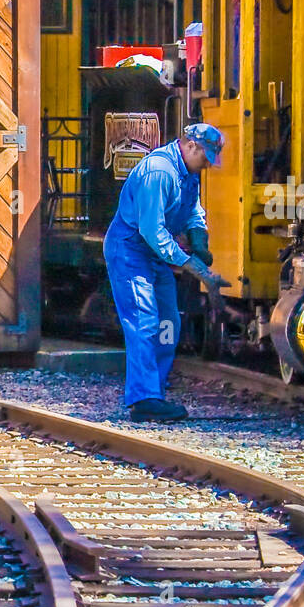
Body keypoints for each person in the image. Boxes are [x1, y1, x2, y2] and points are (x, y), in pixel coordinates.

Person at [103, 123, 229, 422]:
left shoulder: (188, 174)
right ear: (192, 146)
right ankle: (144, 399)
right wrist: (192, 265)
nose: (209, 165)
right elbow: (152, 230)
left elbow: (193, 210)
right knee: (144, 322)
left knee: (168, 324)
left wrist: (199, 237)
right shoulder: (158, 171)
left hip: (154, 255)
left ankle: (154, 391)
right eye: (206, 157)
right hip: (130, 250)